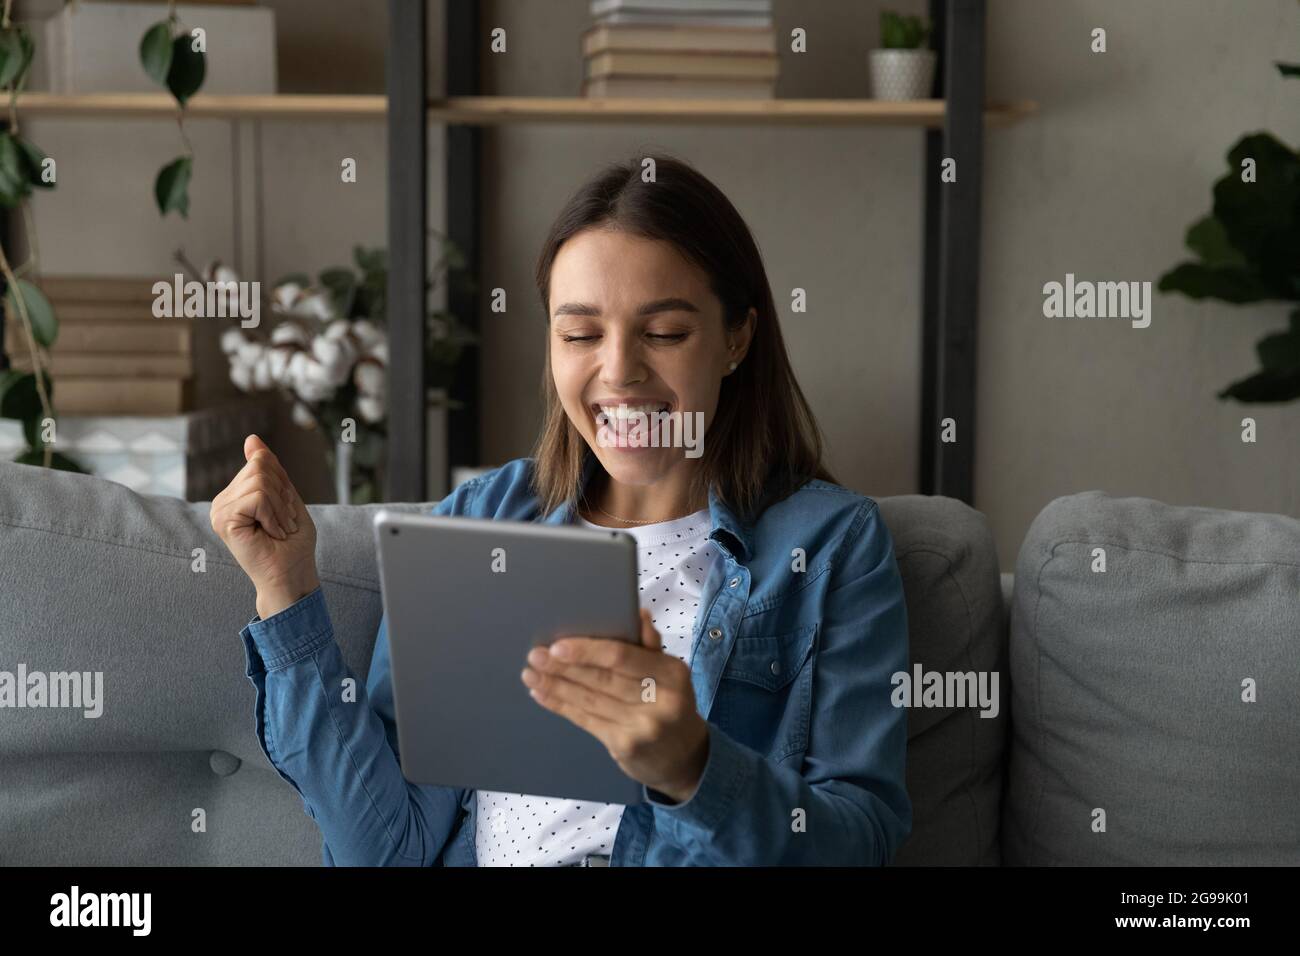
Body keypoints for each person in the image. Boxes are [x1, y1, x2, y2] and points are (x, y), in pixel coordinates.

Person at [210, 154, 912, 866]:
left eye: (664, 333)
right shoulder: (475, 523)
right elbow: (387, 848)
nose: (618, 371)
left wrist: (694, 769)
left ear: (737, 338)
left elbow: (859, 840)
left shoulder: (829, 545)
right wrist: (286, 588)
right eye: (579, 335)